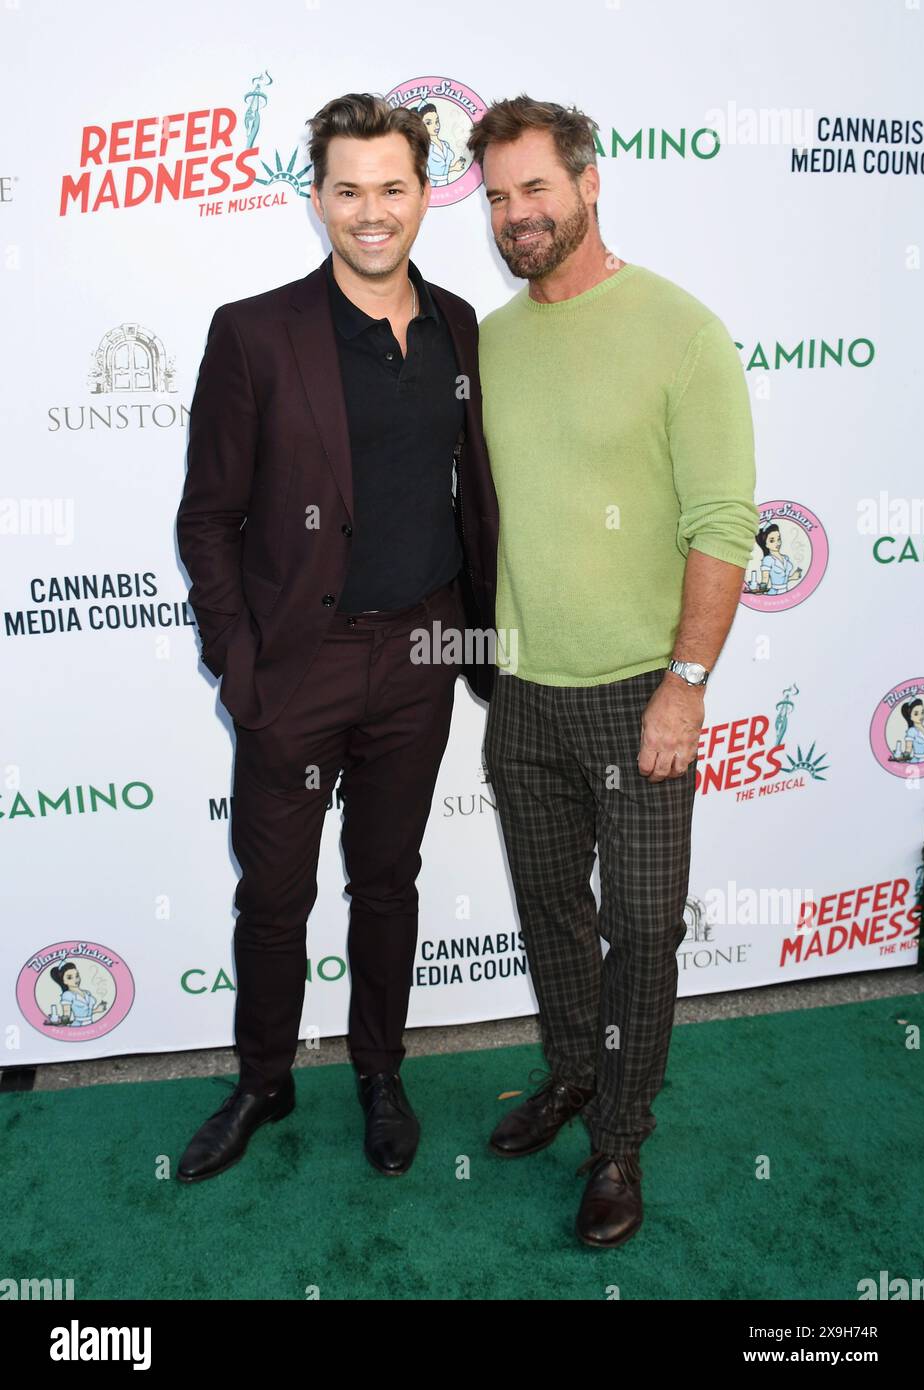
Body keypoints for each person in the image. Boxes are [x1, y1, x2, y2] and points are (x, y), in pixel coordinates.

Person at [175, 92, 498, 1183]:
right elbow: (207, 516)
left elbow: (476, 498)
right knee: (274, 895)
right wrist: (239, 663)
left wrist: (476, 640)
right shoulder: (254, 331)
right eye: (349, 189)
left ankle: (379, 1070)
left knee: (388, 881)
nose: (372, 211)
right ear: (317, 199)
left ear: (423, 194)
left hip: (420, 657)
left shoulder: (459, 323)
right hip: (296, 670)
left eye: (392, 188)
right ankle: (264, 1078)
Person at [467, 95, 758, 1247]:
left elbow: (723, 523)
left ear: (589, 182)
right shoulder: (487, 341)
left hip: (642, 692)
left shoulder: (681, 329)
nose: (515, 214)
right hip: (523, 694)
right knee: (548, 911)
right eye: (494, 195)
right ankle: (571, 1072)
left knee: (641, 929)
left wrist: (684, 683)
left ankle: (620, 1138)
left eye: (534, 187)